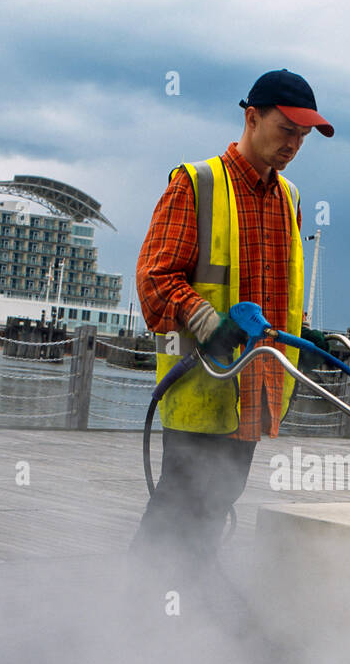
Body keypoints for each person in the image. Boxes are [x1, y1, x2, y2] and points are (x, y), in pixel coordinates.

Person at [133, 69, 334, 569]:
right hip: (202, 383)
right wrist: (208, 323)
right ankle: (141, 612)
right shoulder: (196, 184)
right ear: (252, 116)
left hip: (258, 388)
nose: (294, 144)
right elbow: (155, 276)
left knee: (214, 505)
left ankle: (185, 604)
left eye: (303, 136)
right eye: (287, 129)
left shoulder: (289, 199)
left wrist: (303, 335)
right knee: (181, 507)